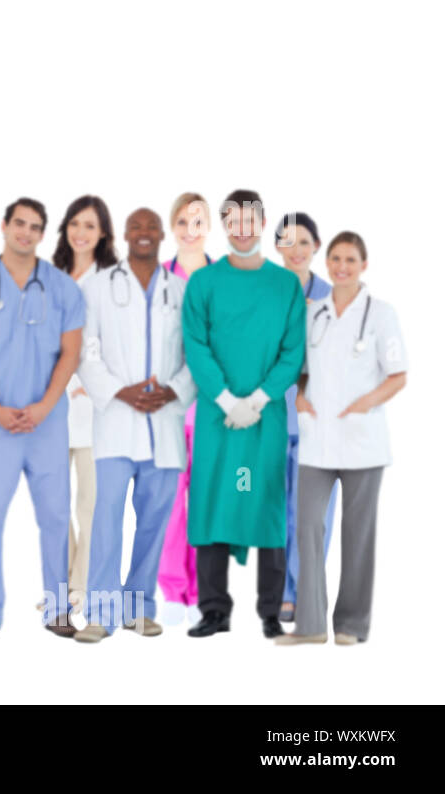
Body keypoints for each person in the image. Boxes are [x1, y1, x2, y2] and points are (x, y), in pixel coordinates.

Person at [0, 198, 85, 639]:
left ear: (43, 235)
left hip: (47, 423)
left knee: (54, 517)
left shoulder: (63, 288)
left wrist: (46, 405)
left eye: (35, 227)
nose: (25, 232)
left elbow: (70, 353)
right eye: (19, 224)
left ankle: (58, 609)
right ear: (4, 226)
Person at [183, 190, 305, 640]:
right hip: (218, 420)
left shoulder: (285, 285)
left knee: (268, 507)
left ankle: (271, 610)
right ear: (223, 225)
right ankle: (214, 609)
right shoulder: (203, 284)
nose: (242, 229)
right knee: (213, 504)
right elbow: (195, 345)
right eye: (232, 221)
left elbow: (293, 351)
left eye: (250, 220)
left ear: (262, 222)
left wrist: (256, 400)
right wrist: (226, 401)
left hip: (265, 418)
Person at [278, 232, 407, 645]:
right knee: (307, 527)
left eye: (350, 259)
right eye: (335, 258)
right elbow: (300, 366)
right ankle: (311, 625)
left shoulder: (381, 314)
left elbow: (398, 375)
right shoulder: (313, 313)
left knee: (357, 534)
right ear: (326, 261)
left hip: (362, 442)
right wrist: (299, 395)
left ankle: (351, 625)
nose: (341, 266)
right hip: (317, 442)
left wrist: (364, 402)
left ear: (363, 265)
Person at [74, 208, 194, 642]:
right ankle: (101, 615)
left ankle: (139, 608)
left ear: (162, 235)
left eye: (151, 227)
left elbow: (196, 355)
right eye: (136, 226)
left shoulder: (181, 290)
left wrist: (175, 390)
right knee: (105, 520)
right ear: (124, 235)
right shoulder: (98, 287)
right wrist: (121, 392)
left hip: (163, 424)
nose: (143, 233)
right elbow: (86, 352)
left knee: (153, 522)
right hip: (114, 424)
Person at [51, 195, 117, 611]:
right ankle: (61, 585)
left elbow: (118, 343)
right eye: (75, 224)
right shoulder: (49, 276)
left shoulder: (113, 281)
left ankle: (83, 587)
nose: (81, 232)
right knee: (53, 503)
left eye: (90, 226)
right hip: (51, 405)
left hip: (95, 409)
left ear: (103, 234)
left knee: (89, 503)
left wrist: (86, 380)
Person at [275, 212, 339, 623]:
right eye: (287, 242)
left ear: (316, 246)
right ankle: (283, 590)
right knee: (277, 510)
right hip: (271, 419)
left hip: (320, 421)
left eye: (304, 242)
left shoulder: (337, 300)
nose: (296, 250)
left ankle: (305, 590)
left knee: (313, 513)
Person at [156, 192, 215, 625]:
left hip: (215, 406)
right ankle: (174, 590)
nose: (190, 231)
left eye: (198, 222)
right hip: (170, 407)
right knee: (171, 501)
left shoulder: (227, 278)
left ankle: (203, 591)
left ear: (208, 227)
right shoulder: (156, 280)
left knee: (208, 502)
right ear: (172, 226)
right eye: (182, 222)